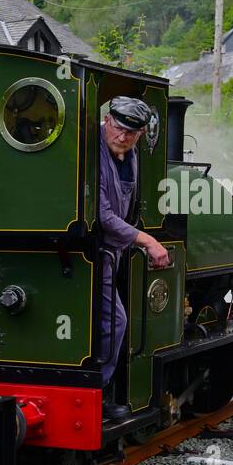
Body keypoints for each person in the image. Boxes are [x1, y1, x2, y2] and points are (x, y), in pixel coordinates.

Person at [98, 96, 171, 420]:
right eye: (117, 127)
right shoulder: (91, 151)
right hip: (92, 250)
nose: (122, 136)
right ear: (107, 120)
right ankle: (98, 392)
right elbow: (102, 214)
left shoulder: (132, 154)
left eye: (131, 132)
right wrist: (149, 241)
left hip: (116, 250)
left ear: (141, 134)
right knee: (115, 321)